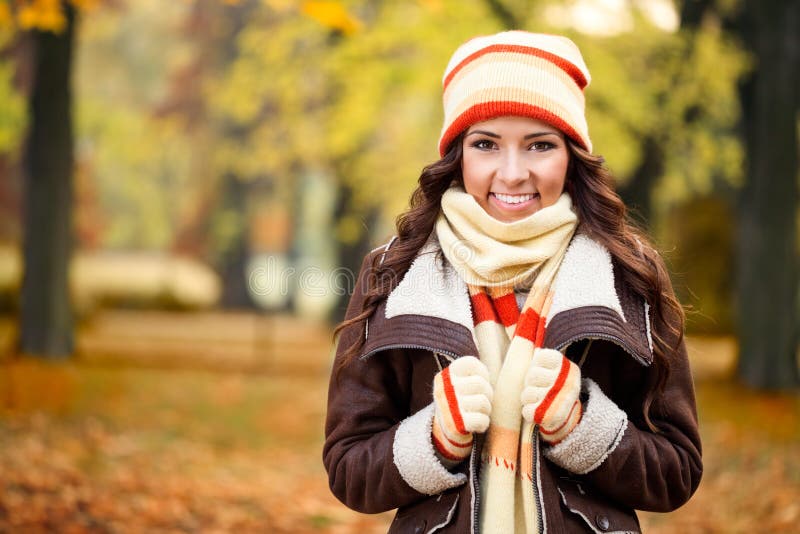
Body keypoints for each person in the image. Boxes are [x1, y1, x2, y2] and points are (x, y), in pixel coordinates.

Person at [323, 30, 702, 533]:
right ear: (458, 156)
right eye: (486, 144)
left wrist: (581, 426)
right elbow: (348, 470)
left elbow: (677, 471)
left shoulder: (626, 274)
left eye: (539, 145)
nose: (512, 173)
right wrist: (436, 437)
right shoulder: (395, 272)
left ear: (571, 156)